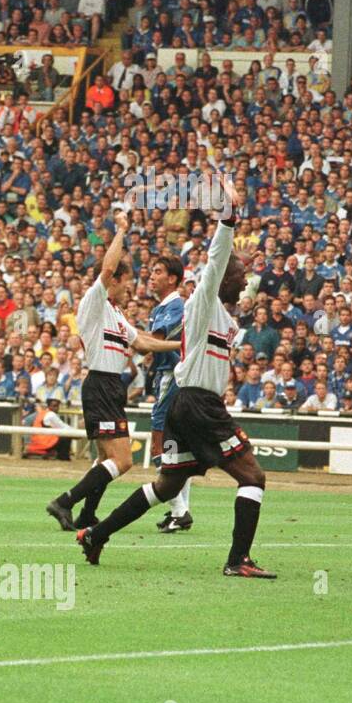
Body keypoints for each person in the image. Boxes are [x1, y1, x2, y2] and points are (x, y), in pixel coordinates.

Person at [77, 177, 277, 579]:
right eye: (239, 277)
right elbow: (219, 259)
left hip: (188, 405)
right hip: (199, 405)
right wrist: (228, 218)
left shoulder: (222, 314)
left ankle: (96, 533)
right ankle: (238, 560)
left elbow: (235, 279)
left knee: (167, 487)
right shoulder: (203, 301)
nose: (244, 281)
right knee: (253, 476)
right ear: (221, 280)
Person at [45, 211, 179, 532]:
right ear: (115, 280)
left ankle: (86, 514)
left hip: (111, 386)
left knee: (104, 458)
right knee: (123, 461)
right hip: (101, 384)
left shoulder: (118, 316)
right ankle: (65, 501)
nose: (130, 287)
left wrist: (180, 346)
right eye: (127, 281)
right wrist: (121, 229)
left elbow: (144, 343)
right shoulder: (95, 301)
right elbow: (107, 266)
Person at [146, 251, 194, 533]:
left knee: (158, 446)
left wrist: (124, 333)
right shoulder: (159, 309)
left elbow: (155, 343)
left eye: (158, 272)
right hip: (168, 377)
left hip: (172, 379)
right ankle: (180, 511)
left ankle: (179, 509)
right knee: (177, 451)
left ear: (173, 278)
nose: (152, 276)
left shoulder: (175, 307)